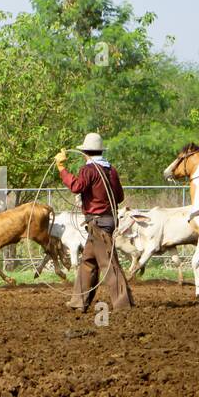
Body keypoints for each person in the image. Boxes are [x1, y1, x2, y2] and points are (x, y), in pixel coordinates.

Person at [54, 133, 134, 312]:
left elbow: (76, 187)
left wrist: (61, 168)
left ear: (85, 153)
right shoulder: (110, 170)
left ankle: (123, 304)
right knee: (87, 262)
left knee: (108, 264)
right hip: (104, 222)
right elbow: (119, 197)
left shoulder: (88, 170)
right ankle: (78, 302)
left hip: (97, 223)